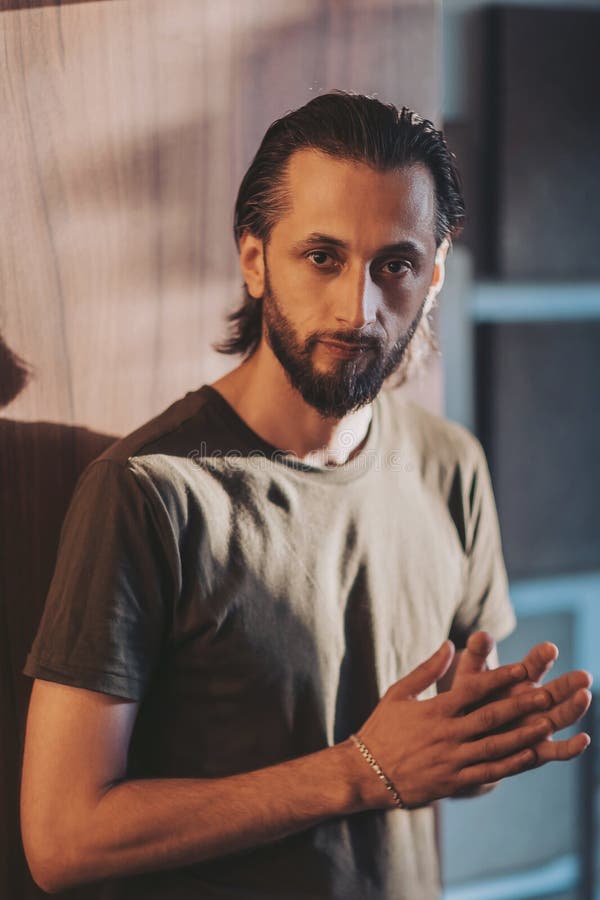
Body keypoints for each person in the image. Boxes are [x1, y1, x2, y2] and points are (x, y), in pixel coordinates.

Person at [20, 91, 592, 900]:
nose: (357, 309)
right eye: (322, 256)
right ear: (254, 258)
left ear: (433, 272)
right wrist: (360, 773)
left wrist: (479, 745)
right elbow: (62, 839)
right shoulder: (148, 494)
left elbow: (438, 767)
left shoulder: (450, 463)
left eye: (394, 264)